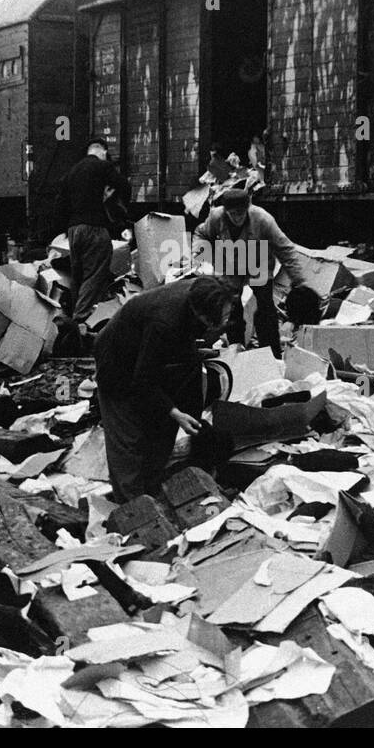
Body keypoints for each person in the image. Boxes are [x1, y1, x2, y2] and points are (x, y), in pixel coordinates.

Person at [93, 276, 235, 501]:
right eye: (223, 317)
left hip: (154, 360)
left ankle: (153, 490)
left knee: (161, 430)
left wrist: (183, 413)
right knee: (128, 443)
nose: (226, 320)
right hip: (117, 362)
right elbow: (143, 381)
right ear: (202, 315)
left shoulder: (203, 291)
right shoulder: (164, 322)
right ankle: (133, 510)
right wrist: (175, 412)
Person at [193, 187, 305, 357]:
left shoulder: (263, 219)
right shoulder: (216, 217)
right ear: (226, 212)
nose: (238, 217)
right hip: (230, 265)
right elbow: (201, 233)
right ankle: (237, 351)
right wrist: (200, 258)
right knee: (232, 310)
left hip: (258, 263)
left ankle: (271, 353)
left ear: (248, 209)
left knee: (265, 310)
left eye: (241, 213)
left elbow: (285, 249)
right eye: (233, 214)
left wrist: (299, 281)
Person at [57, 139, 129, 327]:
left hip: (74, 230)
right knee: (95, 273)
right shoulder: (103, 167)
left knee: (78, 275)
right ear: (103, 151)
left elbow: (60, 205)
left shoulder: (71, 172)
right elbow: (124, 186)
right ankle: (79, 320)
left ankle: (72, 315)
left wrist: (68, 228)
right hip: (95, 228)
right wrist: (109, 199)